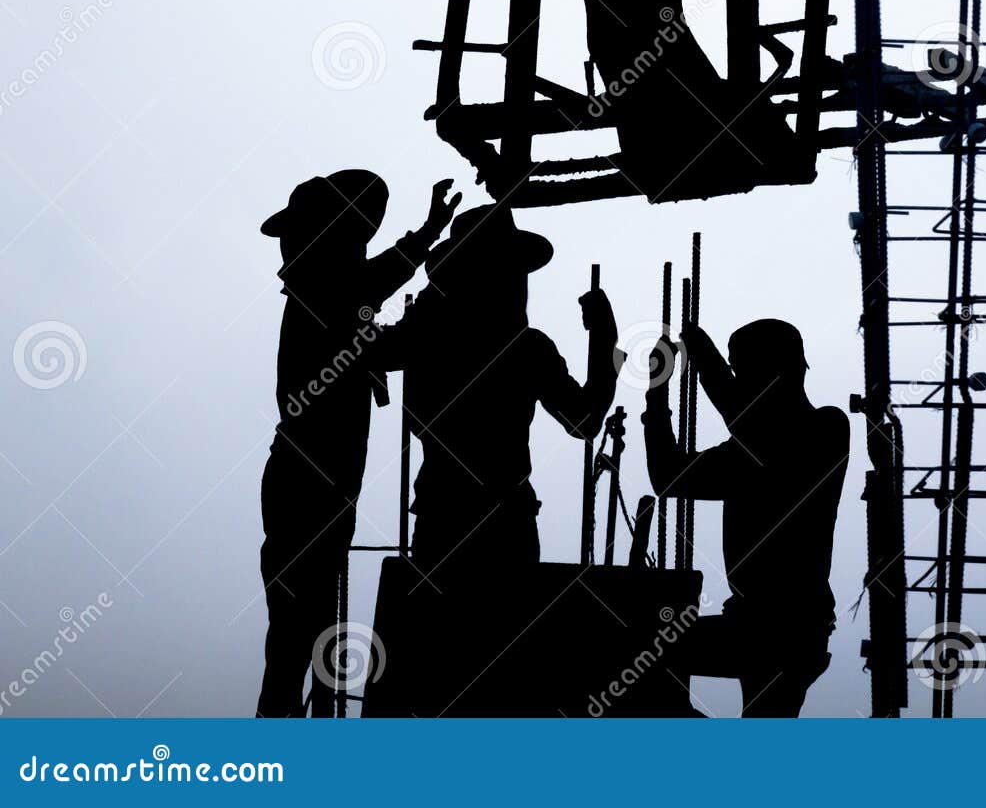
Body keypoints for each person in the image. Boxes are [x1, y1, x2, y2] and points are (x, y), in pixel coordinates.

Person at [256, 170, 459, 717]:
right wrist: (429, 237)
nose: (288, 245)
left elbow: (375, 330)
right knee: (299, 629)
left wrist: (426, 245)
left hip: (322, 484)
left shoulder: (336, 302)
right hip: (309, 482)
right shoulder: (322, 296)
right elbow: (375, 305)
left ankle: (303, 732)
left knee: (308, 625)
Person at [375, 204, 621, 585]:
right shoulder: (523, 348)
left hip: (449, 516)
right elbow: (585, 420)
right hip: (496, 519)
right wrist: (605, 337)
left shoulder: (431, 337)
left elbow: (366, 347)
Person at [642, 318, 847, 716]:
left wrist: (701, 351)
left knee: (648, 654)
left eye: (743, 370)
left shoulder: (824, 429)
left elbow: (750, 419)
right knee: (646, 657)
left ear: (779, 371)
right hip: (753, 625)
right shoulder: (744, 453)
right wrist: (656, 397)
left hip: (790, 633)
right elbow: (668, 477)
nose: (739, 380)